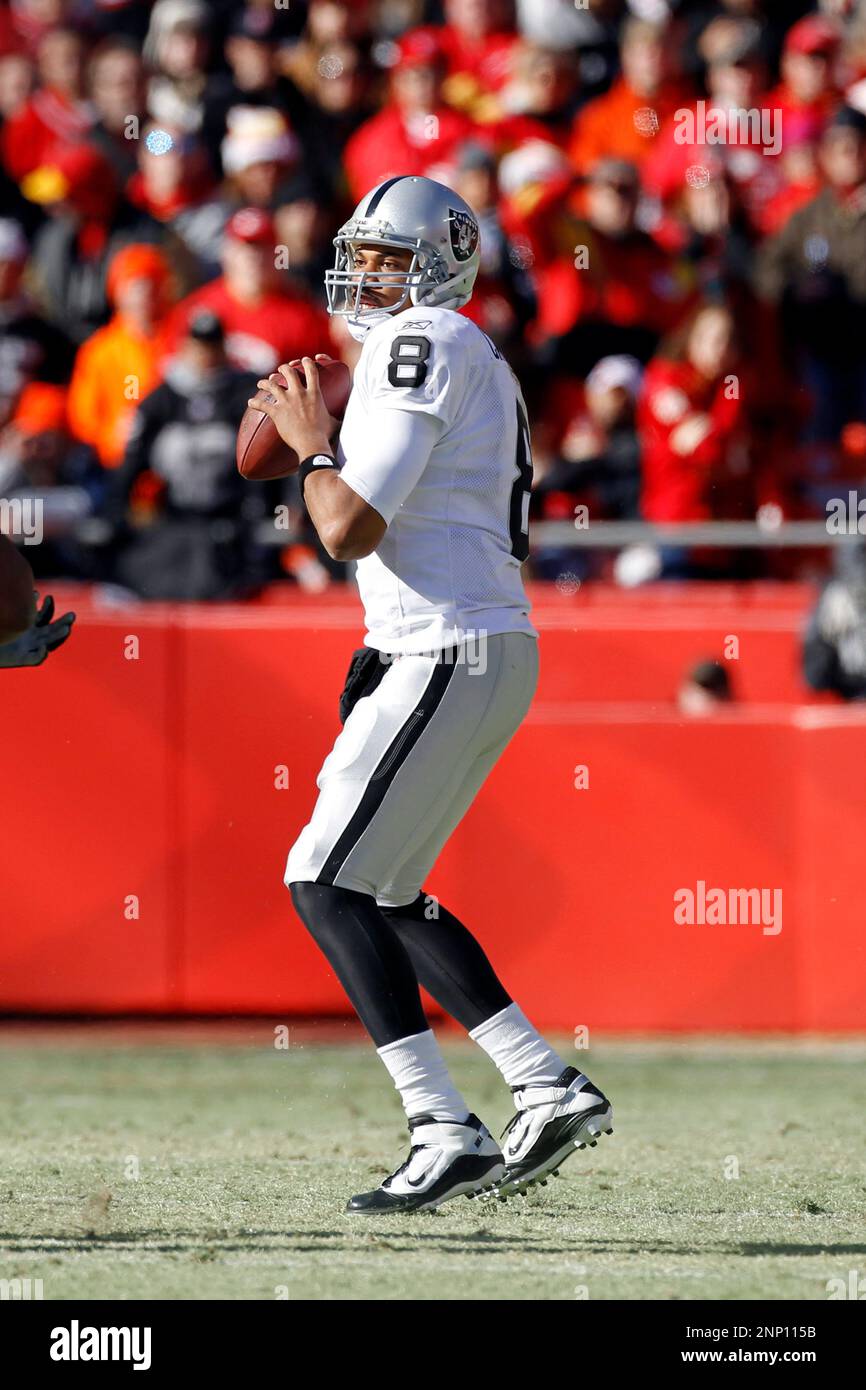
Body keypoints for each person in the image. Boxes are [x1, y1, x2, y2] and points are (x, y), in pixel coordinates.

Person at [252, 174, 613, 1213]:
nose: (366, 274)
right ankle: (541, 1082)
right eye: (360, 254)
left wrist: (310, 440)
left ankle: (440, 1122)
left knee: (323, 879)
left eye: (389, 259)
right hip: (465, 645)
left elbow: (345, 527)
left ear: (439, 266)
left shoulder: (425, 342)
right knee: (386, 889)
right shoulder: (444, 351)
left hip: (442, 647)